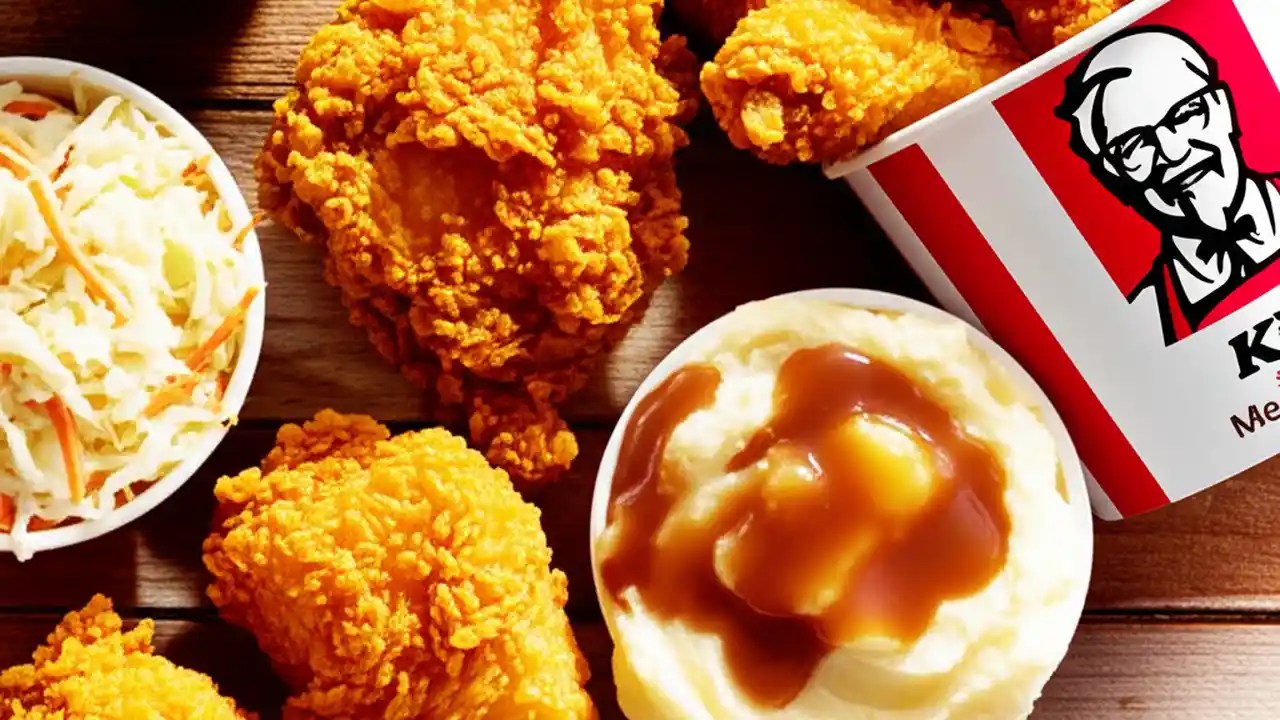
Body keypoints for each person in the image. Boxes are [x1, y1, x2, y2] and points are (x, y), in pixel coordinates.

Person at [1058, 27, 1280, 345]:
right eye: (1134, 145)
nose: (1173, 153)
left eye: (1186, 113)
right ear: (1114, 177)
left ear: (1223, 107)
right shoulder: (1144, 320)